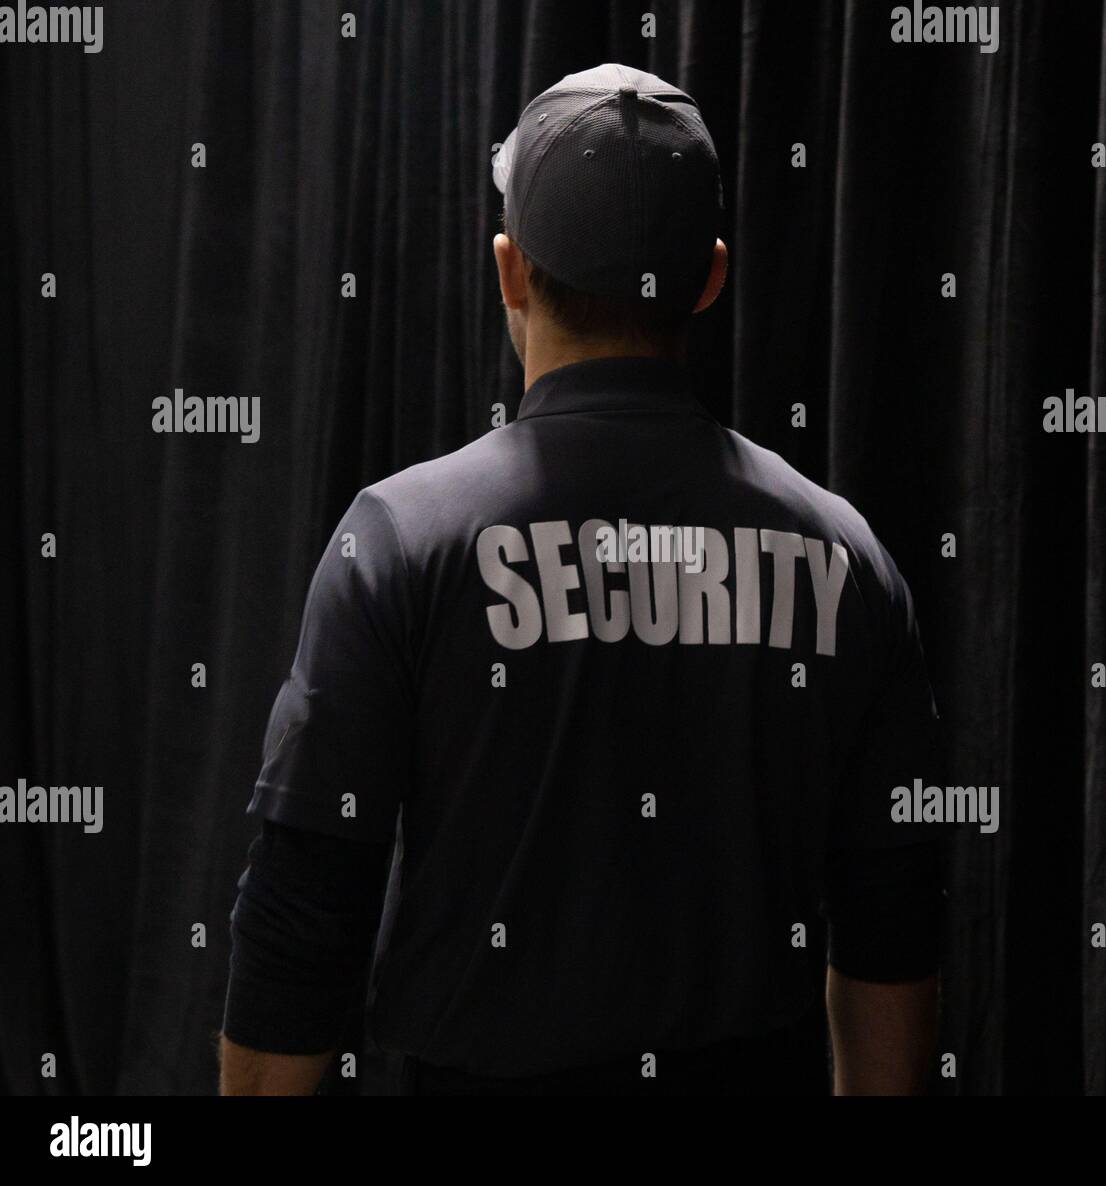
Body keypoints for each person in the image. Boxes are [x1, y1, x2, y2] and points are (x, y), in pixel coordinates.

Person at [219, 62, 948, 1097]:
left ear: (509, 270)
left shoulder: (397, 540)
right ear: (707, 278)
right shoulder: (846, 555)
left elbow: (303, 909)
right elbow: (891, 922)